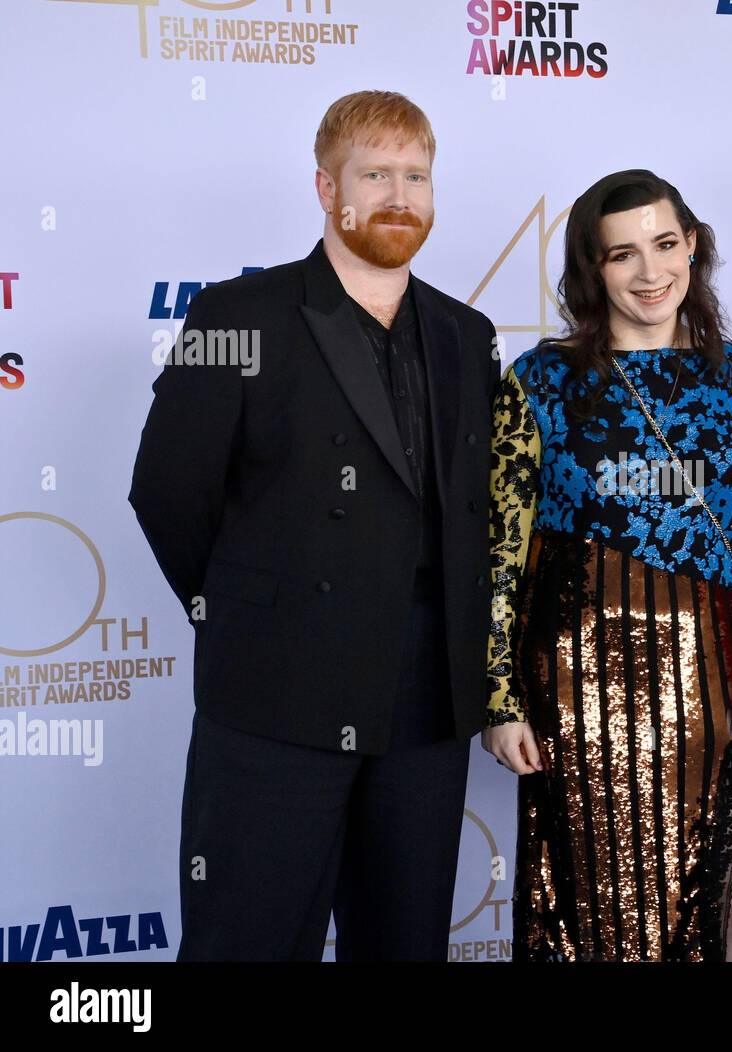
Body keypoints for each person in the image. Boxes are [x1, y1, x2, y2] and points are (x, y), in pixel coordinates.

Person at [128, 90, 499, 961]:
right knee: (246, 944)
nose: (398, 195)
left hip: (426, 706)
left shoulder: (468, 334)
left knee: (404, 944)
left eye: (416, 175)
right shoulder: (236, 315)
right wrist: (246, 606)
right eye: (375, 175)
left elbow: (473, 516)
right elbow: (167, 492)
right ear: (327, 188)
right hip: (274, 690)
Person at [481, 169, 732, 962]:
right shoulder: (541, 382)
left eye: (664, 244)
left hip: (711, 680)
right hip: (581, 685)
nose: (650, 273)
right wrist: (498, 699)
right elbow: (501, 553)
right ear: (594, 270)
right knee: (603, 923)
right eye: (623, 255)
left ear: (693, 246)